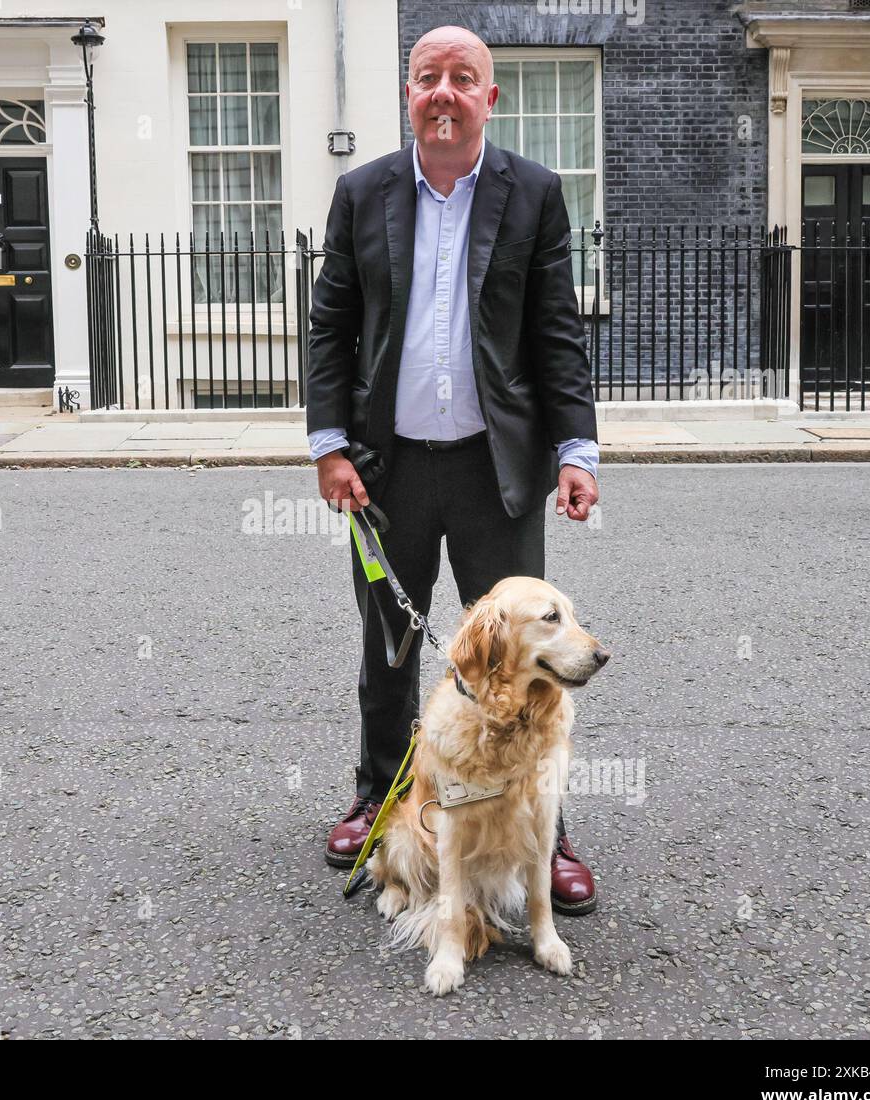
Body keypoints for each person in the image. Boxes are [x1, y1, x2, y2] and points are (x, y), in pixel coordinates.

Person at [306, 25, 600, 914]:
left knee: (524, 657)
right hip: (386, 470)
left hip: (494, 470)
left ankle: (543, 831)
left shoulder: (534, 194)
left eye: (461, 78)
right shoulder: (363, 193)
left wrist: (575, 450)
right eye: (428, 76)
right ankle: (383, 794)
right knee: (391, 646)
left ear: (488, 97)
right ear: (409, 92)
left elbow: (555, 330)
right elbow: (332, 327)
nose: (443, 91)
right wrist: (328, 443)